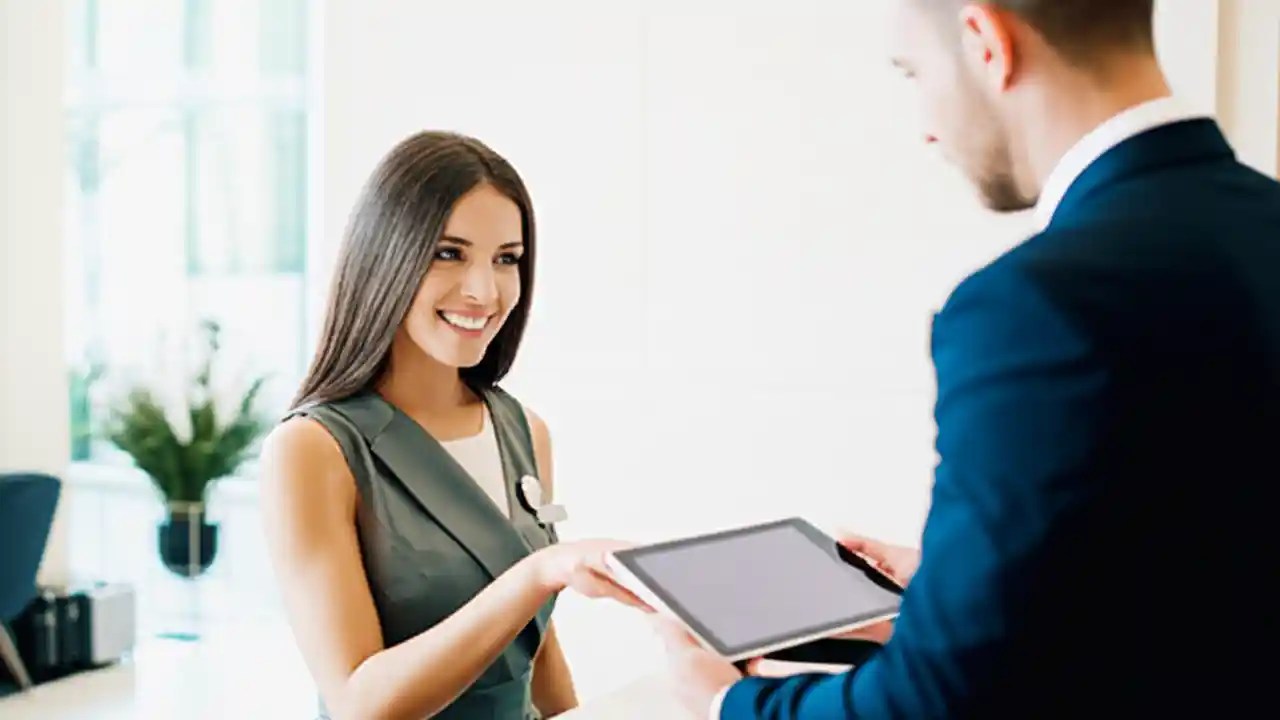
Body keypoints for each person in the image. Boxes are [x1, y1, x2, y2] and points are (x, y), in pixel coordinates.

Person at [652, 1, 1280, 717]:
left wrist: (729, 703)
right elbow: (1210, 559)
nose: (925, 125)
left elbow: (946, 701)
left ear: (986, 42)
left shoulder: (1036, 303)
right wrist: (962, 591)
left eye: (915, 73)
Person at [259, 131, 646, 720]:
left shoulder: (524, 429)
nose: (483, 291)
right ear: (386, 257)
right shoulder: (313, 450)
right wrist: (537, 574)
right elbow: (359, 704)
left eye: (506, 259)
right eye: (449, 253)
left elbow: (535, 653)